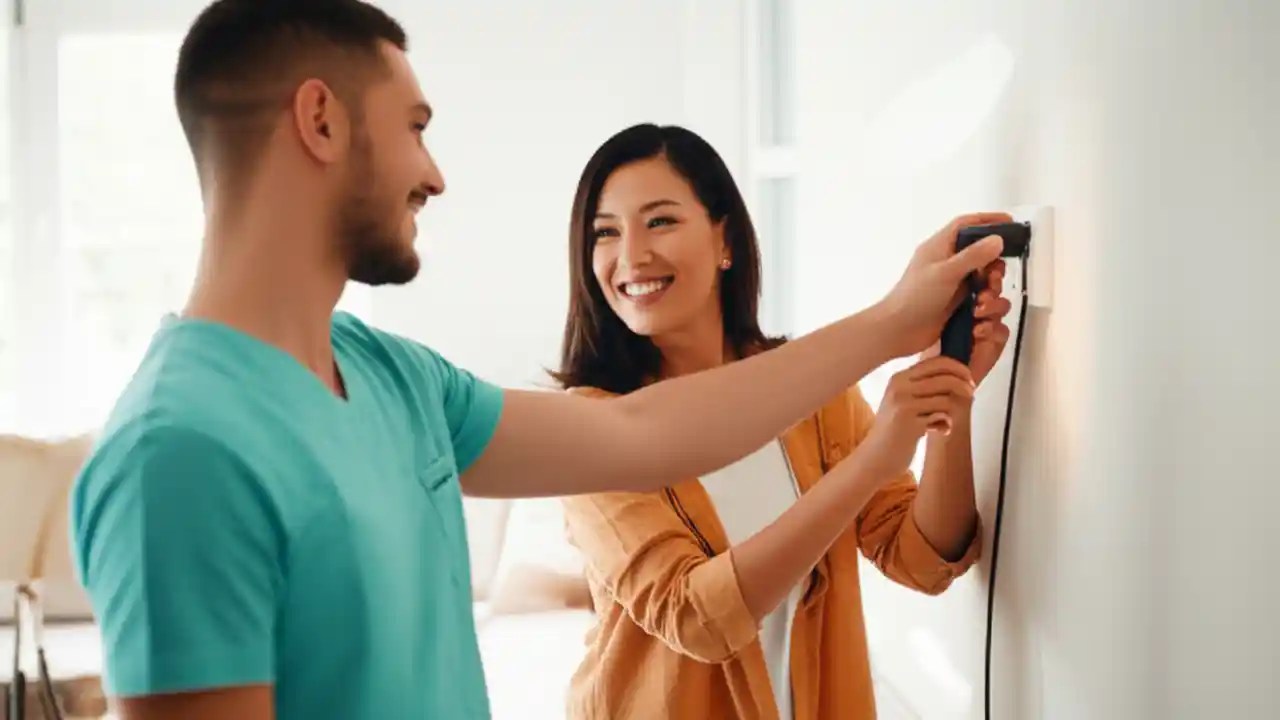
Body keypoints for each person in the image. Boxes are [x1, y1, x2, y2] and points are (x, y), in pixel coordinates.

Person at [68, 2, 1010, 719]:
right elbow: (686, 581)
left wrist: (898, 329)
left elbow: (637, 432)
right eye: (417, 125)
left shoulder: (398, 380)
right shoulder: (179, 456)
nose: (435, 174)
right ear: (320, 120)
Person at [553, 124, 1014, 719]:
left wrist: (949, 381)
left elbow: (922, 558)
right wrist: (873, 461)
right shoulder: (590, 431)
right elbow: (696, 618)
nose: (631, 255)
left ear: (726, 241)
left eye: (659, 221)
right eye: (605, 232)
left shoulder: (809, 389)